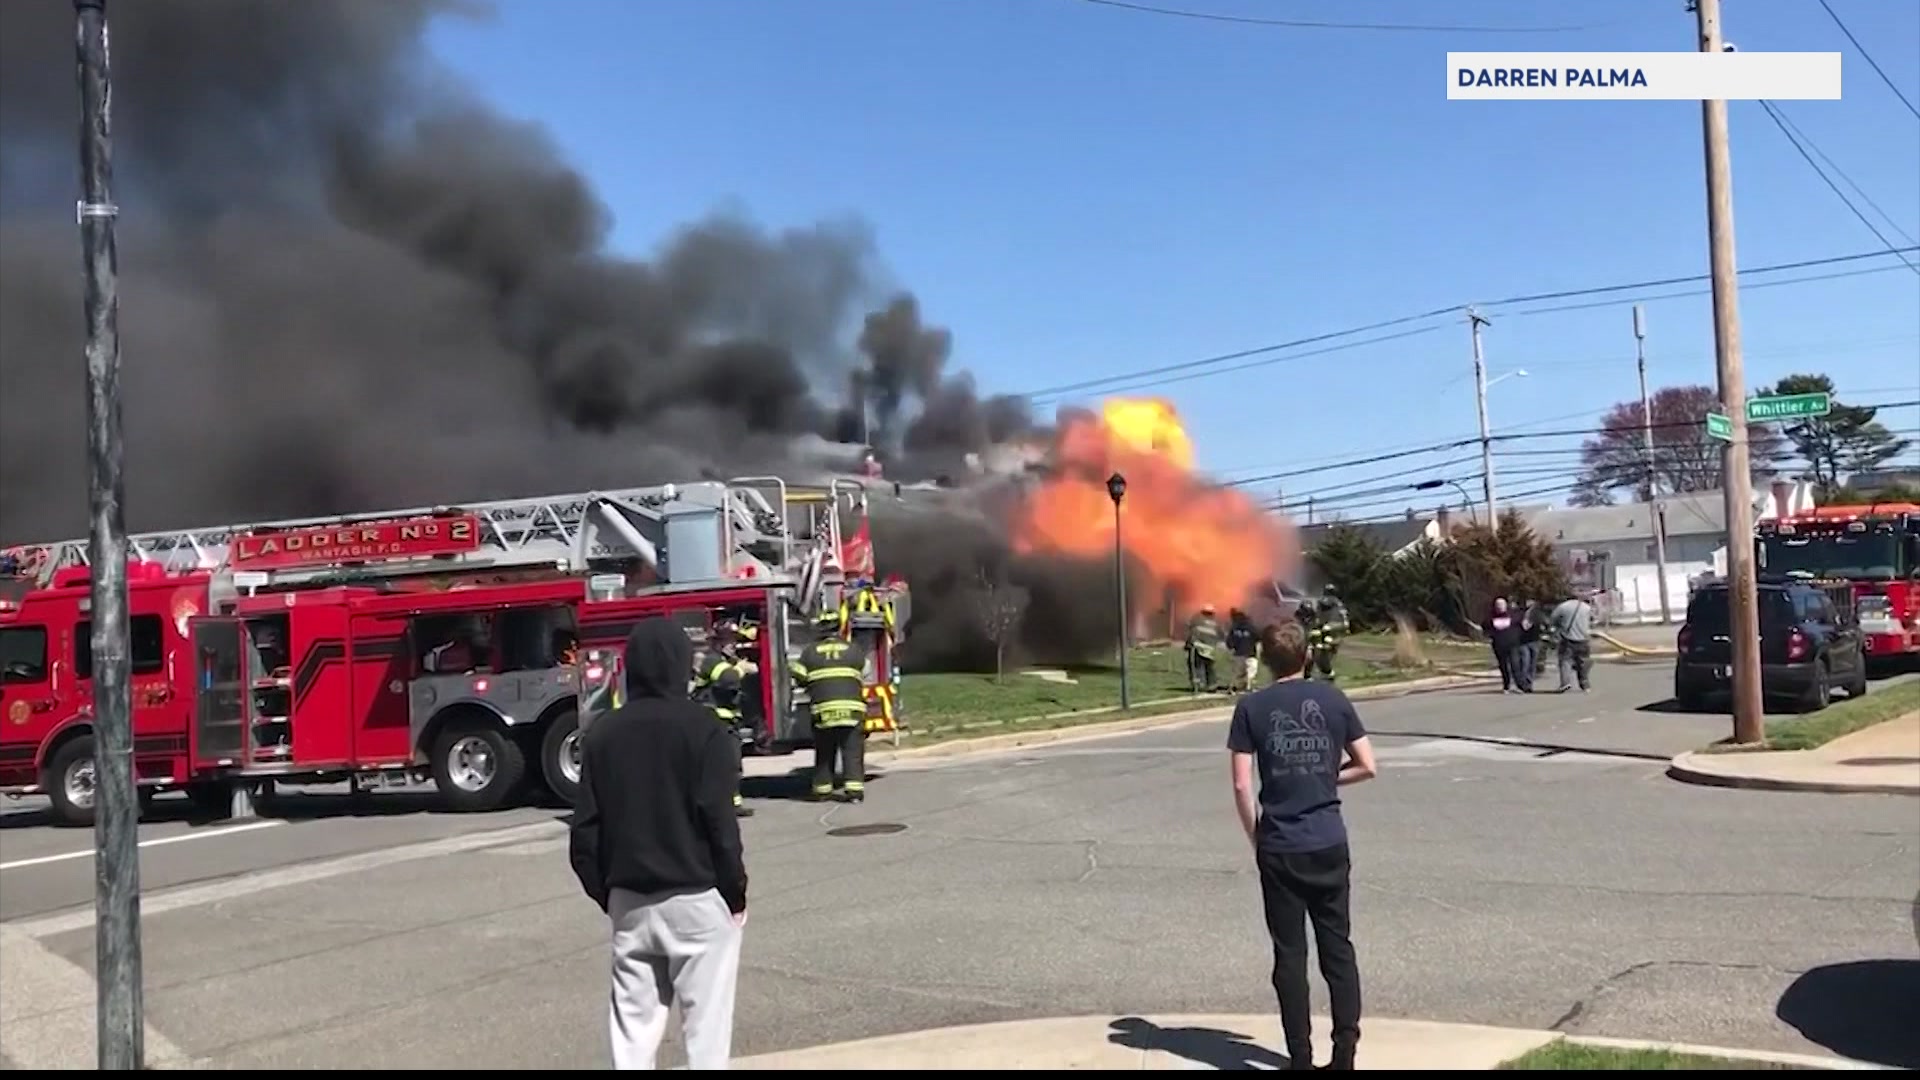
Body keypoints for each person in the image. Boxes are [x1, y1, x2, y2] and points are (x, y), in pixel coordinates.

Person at [569, 617, 748, 1071]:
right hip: (696, 897)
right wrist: (734, 892)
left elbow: (586, 833)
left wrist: (608, 894)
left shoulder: (602, 735)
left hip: (629, 899)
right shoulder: (703, 728)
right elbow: (719, 822)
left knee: (632, 1033)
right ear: (682, 666)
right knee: (705, 1030)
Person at [1227, 619, 1379, 1071]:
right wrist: (1324, 777)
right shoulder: (1333, 699)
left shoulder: (1251, 708)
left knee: (1289, 955)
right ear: (1307, 657)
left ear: (1268, 663)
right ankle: (1345, 1054)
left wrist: (1256, 835)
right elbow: (1367, 765)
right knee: (1338, 948)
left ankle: (1300, 1057)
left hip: (1279, 843)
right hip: (1328, 839)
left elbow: (1240, 784)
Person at [791, 610, 873, 802]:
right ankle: (854, 791)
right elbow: (866, 673)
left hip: (823, 711)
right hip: (852, 711)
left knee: (825, 751)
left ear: (820, 629)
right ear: (839, 627)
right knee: (852, 751)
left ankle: (822, 791)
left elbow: (799, 676)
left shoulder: (809, 652)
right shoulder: (854, 650)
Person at [1550, 591, 1595, 693]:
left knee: (1565, 661)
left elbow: (1553, 619)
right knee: (1583, 663)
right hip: (1584, 639)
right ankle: (1585, 685)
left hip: (1568, 638)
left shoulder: (1562, 607)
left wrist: (1559, 626)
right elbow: (1593, 619)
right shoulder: (1586, 607)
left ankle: (1565, 683)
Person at [1482, 597, 1522, 694]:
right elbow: (1485, 627)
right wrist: (1490, 634)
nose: (1500, 607)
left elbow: (1520, 624)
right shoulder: (1491, 617)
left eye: (1502, 605)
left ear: (1506, 605)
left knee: (1515, 665)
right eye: (1498, 605)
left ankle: (1519, 685)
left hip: (1513, 644)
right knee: (1503, 666)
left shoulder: (1513, 615)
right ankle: (1506, 685)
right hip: (1499, 645)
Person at [1185, 604, 1223, 691]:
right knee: (1209, 667)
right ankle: (1212, 685)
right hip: (1210, 649)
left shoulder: (1196, 620)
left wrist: (1188, 645)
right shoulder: (1216, 624)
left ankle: (1198, 684)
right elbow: (1221, 635)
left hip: (1197, 647)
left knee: (1196, 667)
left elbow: (1192, 634)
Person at [1225, 608, 1260, 692]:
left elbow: (1229, 642)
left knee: (1237, 672)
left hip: (1238, 654)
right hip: (1250, 654)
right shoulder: (1251, 627)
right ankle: (1248, 686)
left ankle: (1234, 688)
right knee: (1250, 672)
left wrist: (1232, 647)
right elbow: (1258, 638)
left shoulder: (1234, 629)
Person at [1513, 598, 1542, 693]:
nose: (1528, 602)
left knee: (1532, 664)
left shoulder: (1537, 613)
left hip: (1534, 640)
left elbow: (1542, 623)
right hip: (1522, 641)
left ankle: (1529, 684)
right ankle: (1523, 684)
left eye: (1531, 600)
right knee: (1525, 662)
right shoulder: (1520, 613)